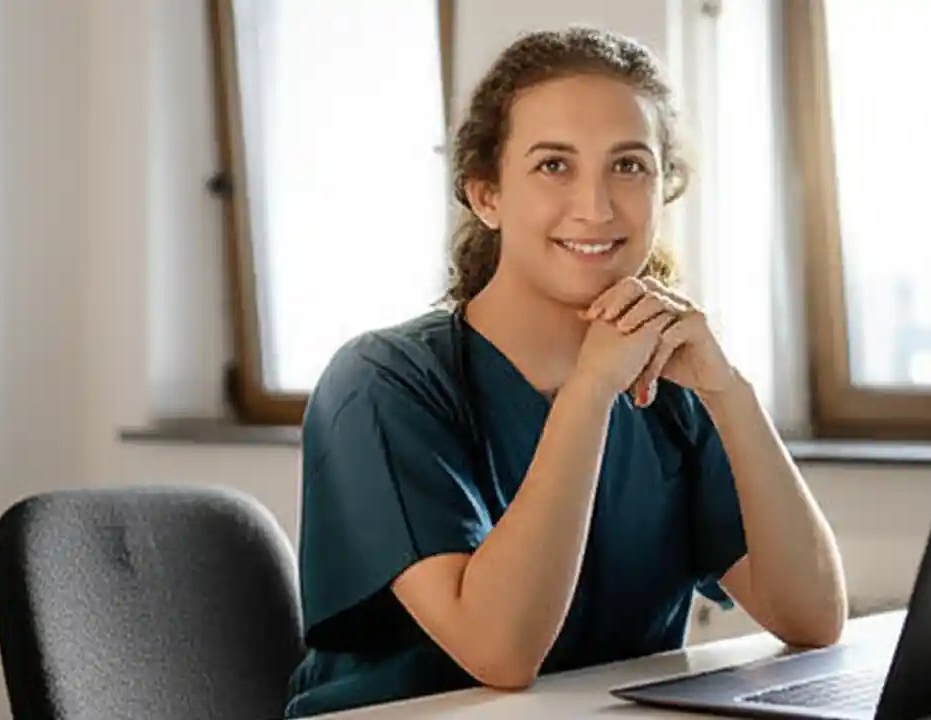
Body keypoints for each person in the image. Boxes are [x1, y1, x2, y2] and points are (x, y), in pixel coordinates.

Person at [284, 26, 847, 718]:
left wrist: (729, 392)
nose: (597, 206)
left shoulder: (675, 393)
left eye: (630, 165)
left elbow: (813, 618)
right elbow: (501, 652)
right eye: (554, 165)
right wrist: (590, 389)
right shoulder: (380, 383)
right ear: (486, 195)